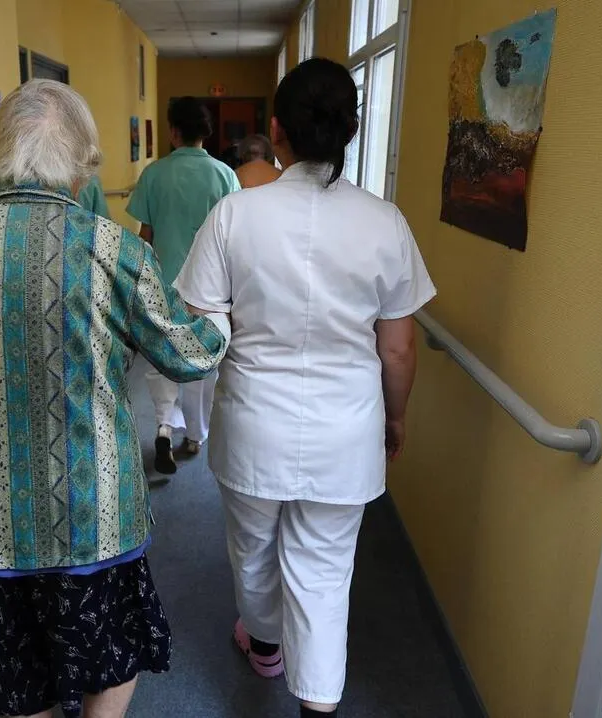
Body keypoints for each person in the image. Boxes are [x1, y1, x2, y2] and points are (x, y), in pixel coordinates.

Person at [0, 79, 230, 718]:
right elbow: (189, 354)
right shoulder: (112, 247)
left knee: (10, 666)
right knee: (107, 648)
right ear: (82, 161)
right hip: (93, 511)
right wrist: (220, 318)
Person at [174, 58, 437, 717]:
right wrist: (395, 419)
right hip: (347, 429)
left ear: (275, 131)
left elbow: (200, 331)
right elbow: (399, 347)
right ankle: (317, 707)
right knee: (323, 575)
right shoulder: (385, 222)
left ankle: (265, 645)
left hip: (253, 422)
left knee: (253, 550)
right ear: (351, 129)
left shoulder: (235, 214)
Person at [126, 96, 240, 475]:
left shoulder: (154, 174)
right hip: (209, 289)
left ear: (173, 132)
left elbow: (145, 236)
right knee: (201, 365)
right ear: (204, 133)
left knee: (162, 361)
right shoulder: (225, 175)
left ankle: (162, 424)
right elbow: (235, 239)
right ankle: (195, 434)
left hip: (163, 285)